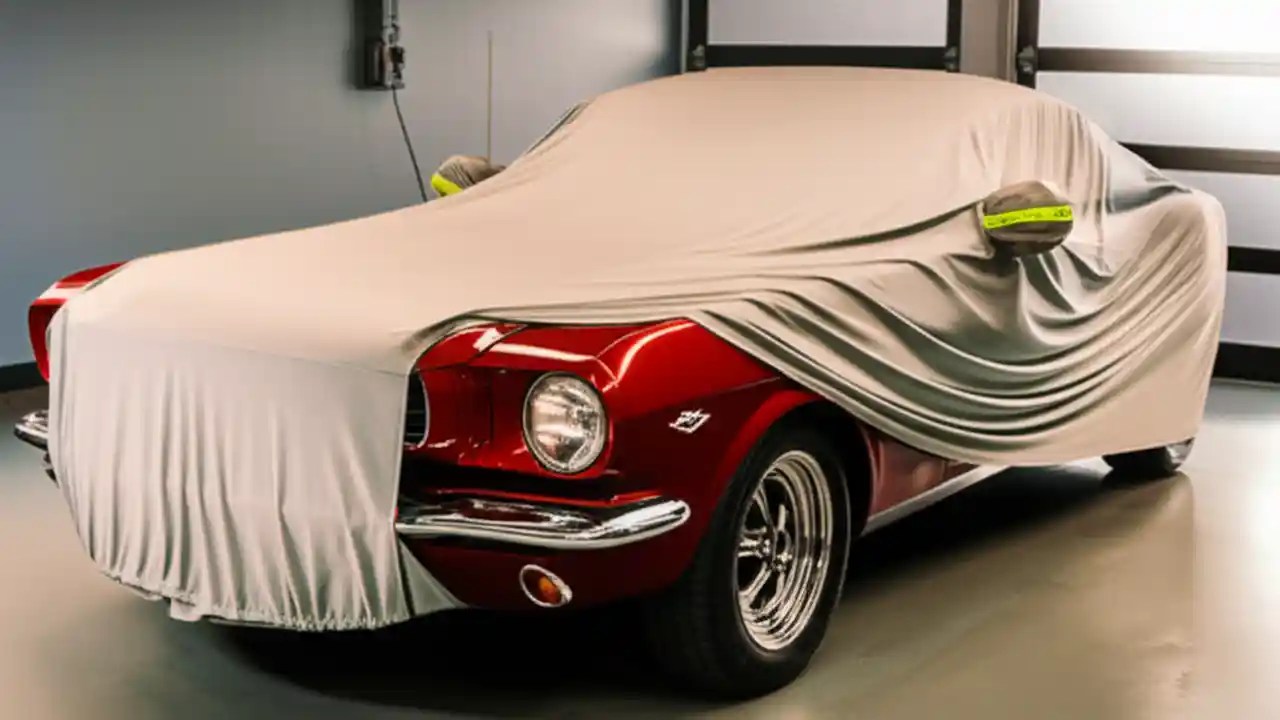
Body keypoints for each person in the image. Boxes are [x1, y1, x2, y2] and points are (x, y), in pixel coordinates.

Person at [429, 155, 505, 198]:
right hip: (445, 178)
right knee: (461, 198)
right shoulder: (480, 167)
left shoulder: (468, 161)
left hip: (437, 177)